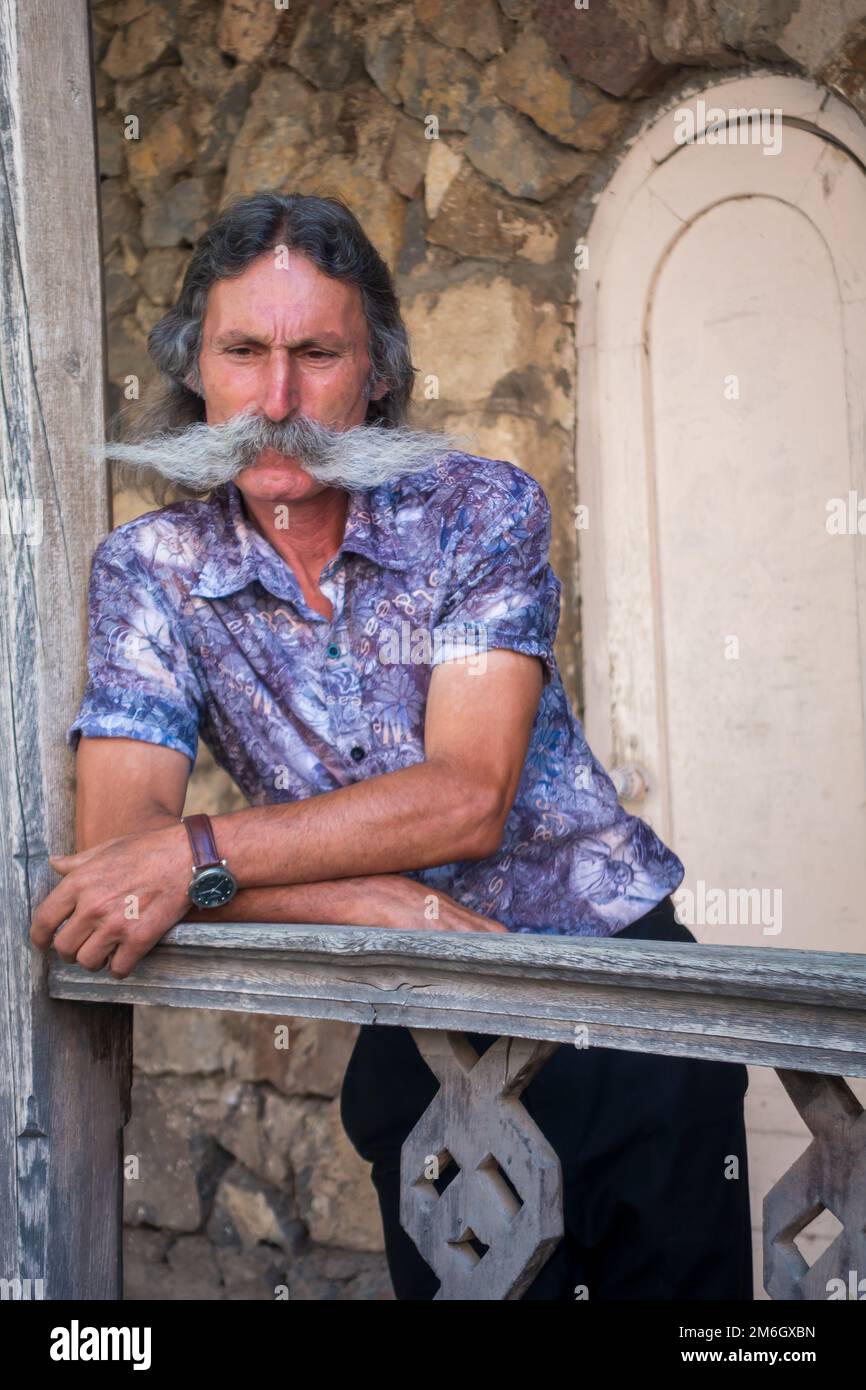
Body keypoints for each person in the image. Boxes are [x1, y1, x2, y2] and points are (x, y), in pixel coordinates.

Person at [29, 191, 751, 1301]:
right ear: (195, 368)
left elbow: (466, 797)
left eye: (317, 352)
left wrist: (193, 857)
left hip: (619, 1005)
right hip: (414, 1030)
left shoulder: (476, 507)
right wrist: (366, 900)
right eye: (242, 350)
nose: (277, 400)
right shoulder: (149, 570)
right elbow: (118, 856)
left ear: (375, 372)